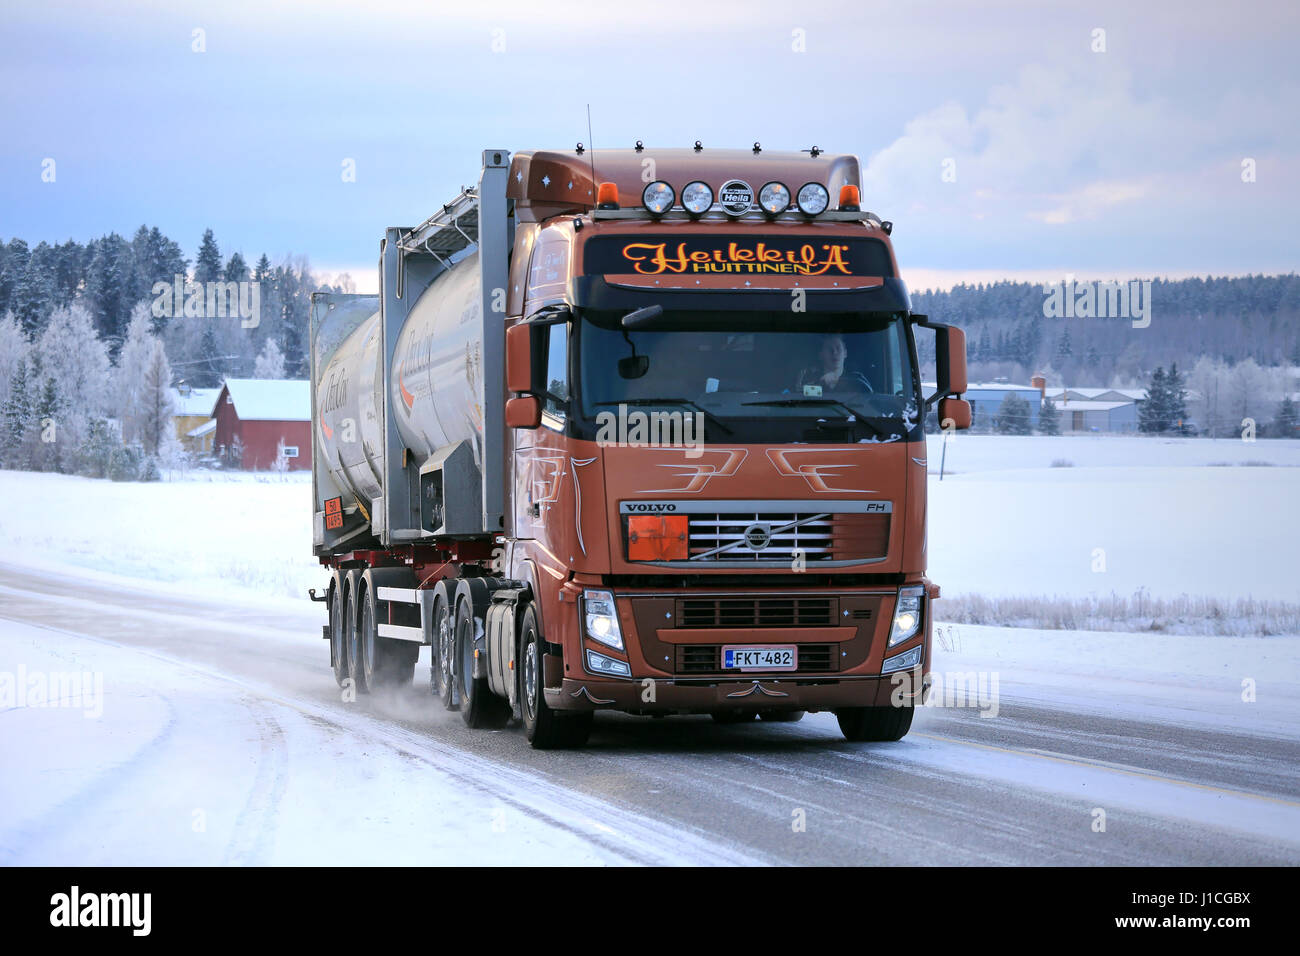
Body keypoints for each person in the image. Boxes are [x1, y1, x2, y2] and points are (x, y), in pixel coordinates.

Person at [796, 333, 874, 394]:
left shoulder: (857, 380)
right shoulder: (808, 377)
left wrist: (839, 382)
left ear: (845, 353)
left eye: (838, 348)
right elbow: (799, 398)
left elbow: (869, 399)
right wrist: (821, 384)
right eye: (829, 348)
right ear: (820, 355)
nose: (834, 352)